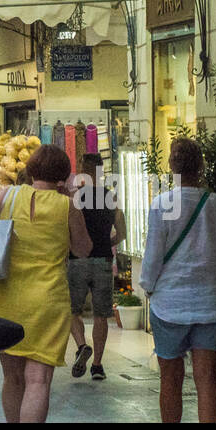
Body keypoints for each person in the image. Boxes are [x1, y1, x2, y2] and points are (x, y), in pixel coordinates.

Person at [0, 145, 91, 424]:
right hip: (48, 301)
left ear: (31, 169)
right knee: (38, 381)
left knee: (12, 378)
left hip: (5, 298)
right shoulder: (67, 205)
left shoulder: (6, 196)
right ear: (63, 175)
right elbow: (83, 249)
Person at [139, 137, 216, 424]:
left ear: (172, 167)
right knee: (207, 381)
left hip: (169, 305)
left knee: (170, 380)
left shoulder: (162, 204)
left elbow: (153, 254)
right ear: (201, 167)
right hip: (209, 305)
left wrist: (148, 286)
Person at [68, 152, 126, 381]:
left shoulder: (75, 198)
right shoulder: (111, 198)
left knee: (71, 311)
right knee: (102, 315)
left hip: (77, 261)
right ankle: (98, 366)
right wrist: (106, 243)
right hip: (102, 261)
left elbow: (66, 231)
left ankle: (82, 345)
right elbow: (121, 233)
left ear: (83, 169)